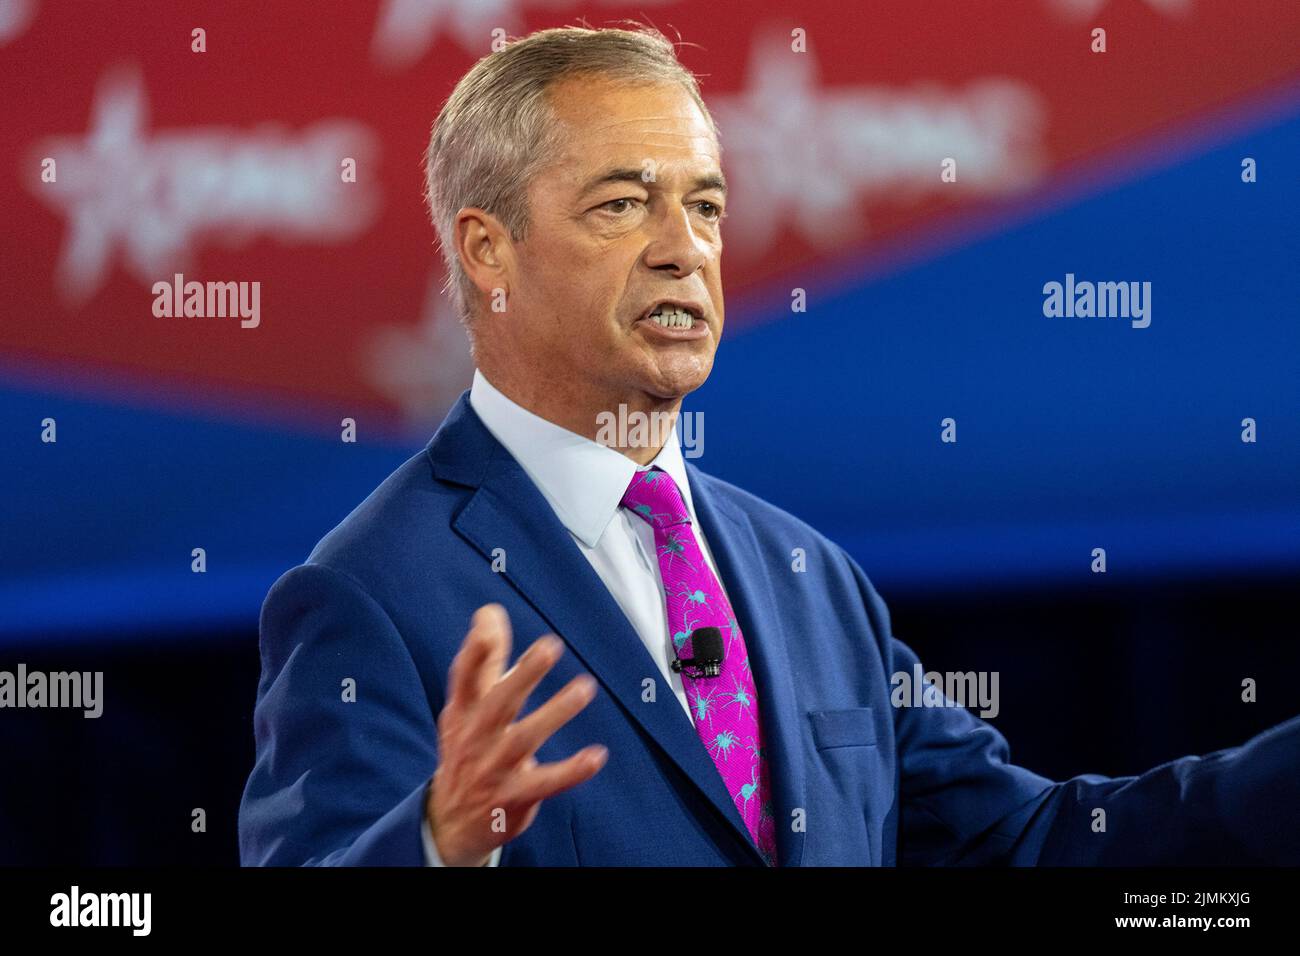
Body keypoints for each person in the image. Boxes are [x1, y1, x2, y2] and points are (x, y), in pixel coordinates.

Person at [238, 24, 1299, 867]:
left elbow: (1019, 841)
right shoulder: (368, 593)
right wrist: (439, 842)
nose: (681, 250)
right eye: (622, 204)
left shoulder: (810, 577)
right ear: (488, 249)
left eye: (704, 206)